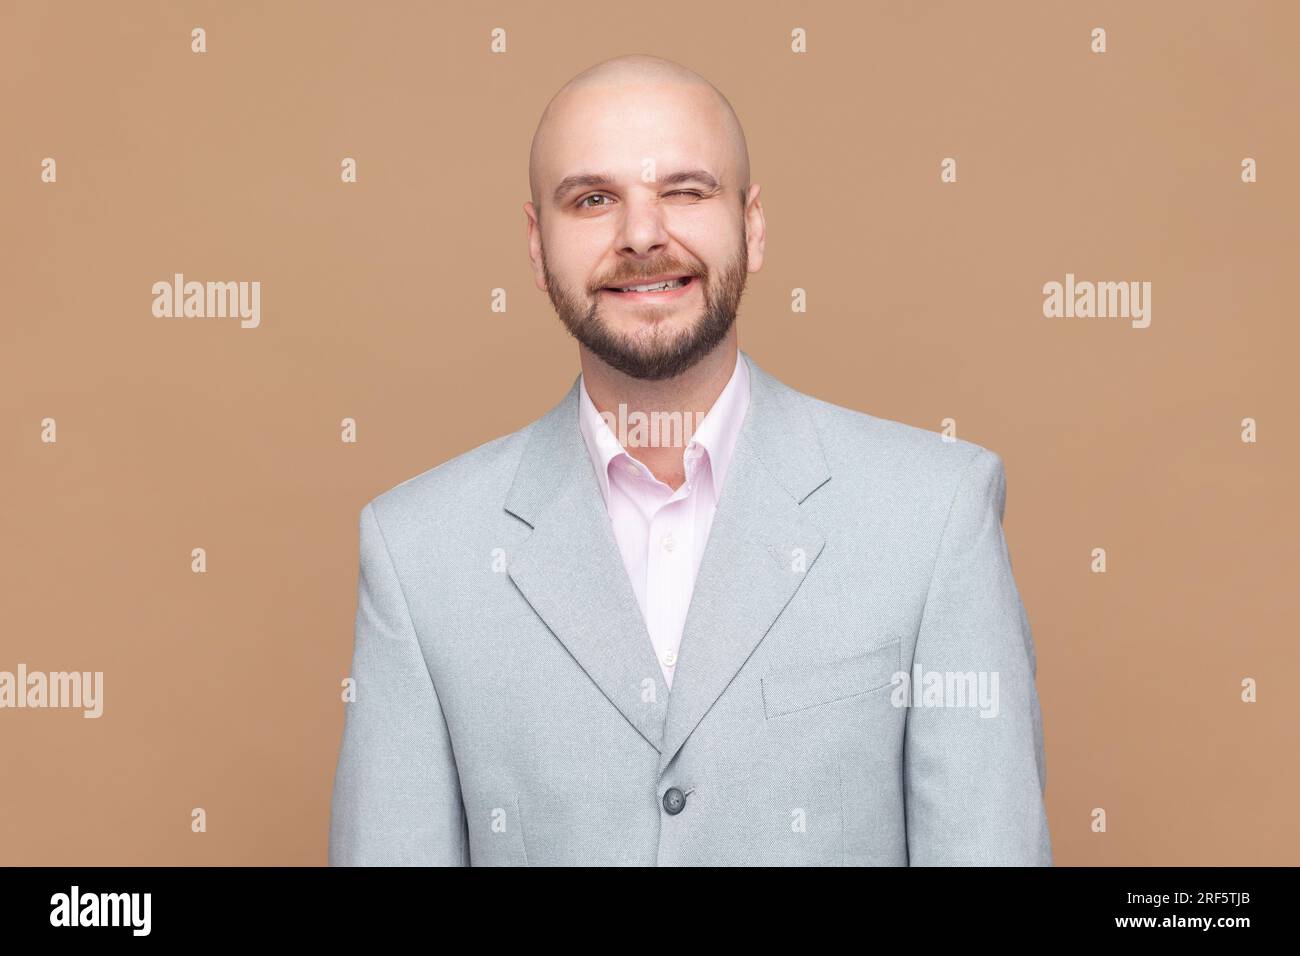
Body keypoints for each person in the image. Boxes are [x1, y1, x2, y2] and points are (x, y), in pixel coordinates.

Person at [328, 54, 1051, 866]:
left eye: (685, 191)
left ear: (754, 225)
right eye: (593, 199)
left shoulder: (936, 514)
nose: (642, 234)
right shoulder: (417, 553)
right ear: (536, 247)